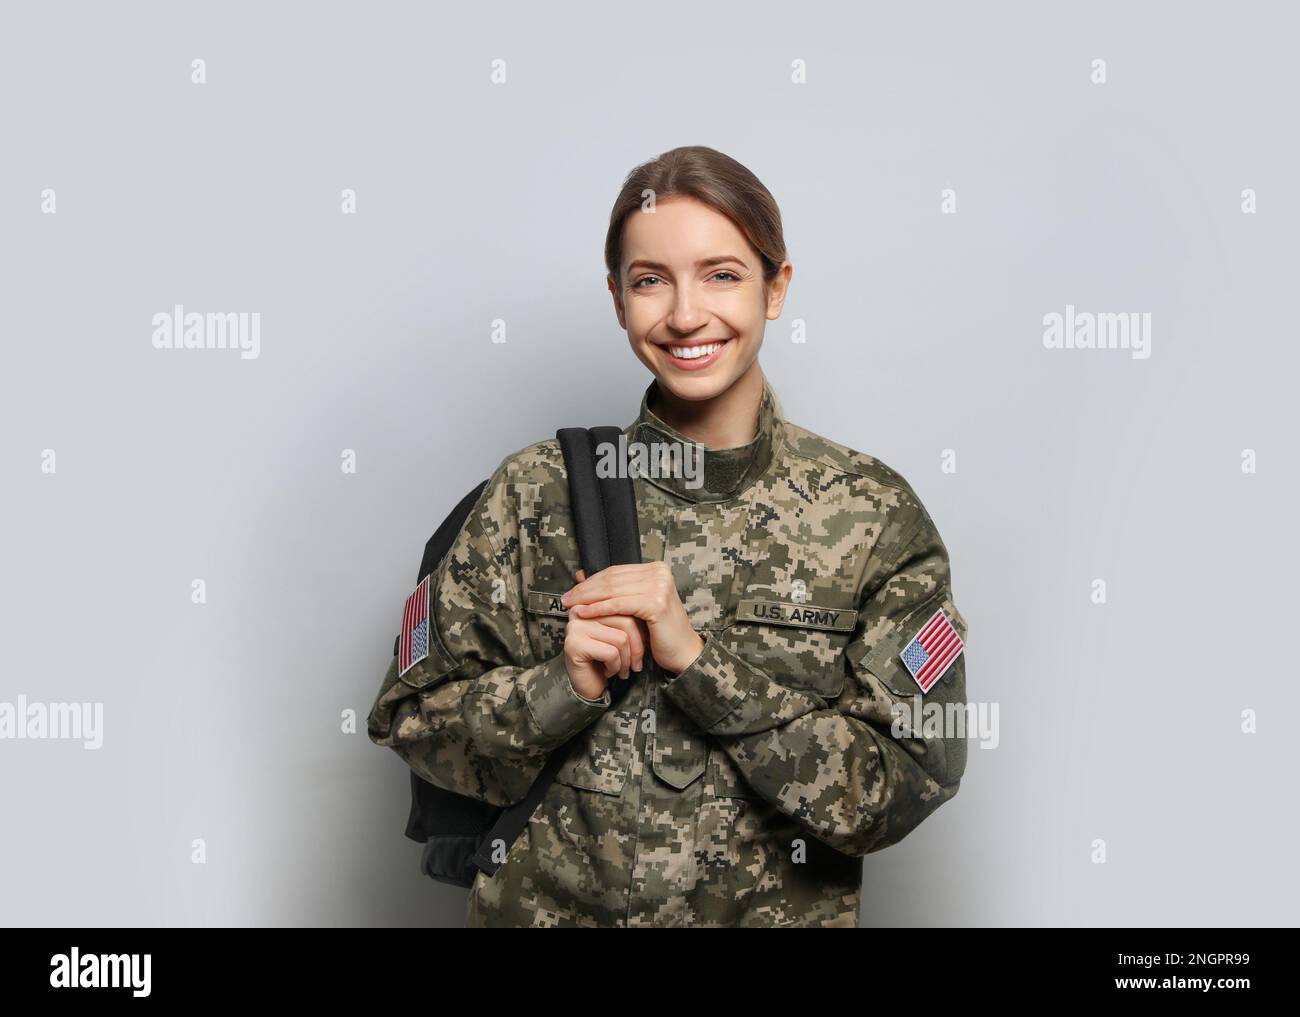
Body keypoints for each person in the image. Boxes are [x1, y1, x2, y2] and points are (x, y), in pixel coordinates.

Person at [366, 145, 969, 927]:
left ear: (776, 287)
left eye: (722, 274)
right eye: (651, 280)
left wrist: (701, 666)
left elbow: (904, 783)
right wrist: (561, 688)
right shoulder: (532, 492)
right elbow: (409, 720)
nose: (686, 314)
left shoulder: (874, 516)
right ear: (618, 299)